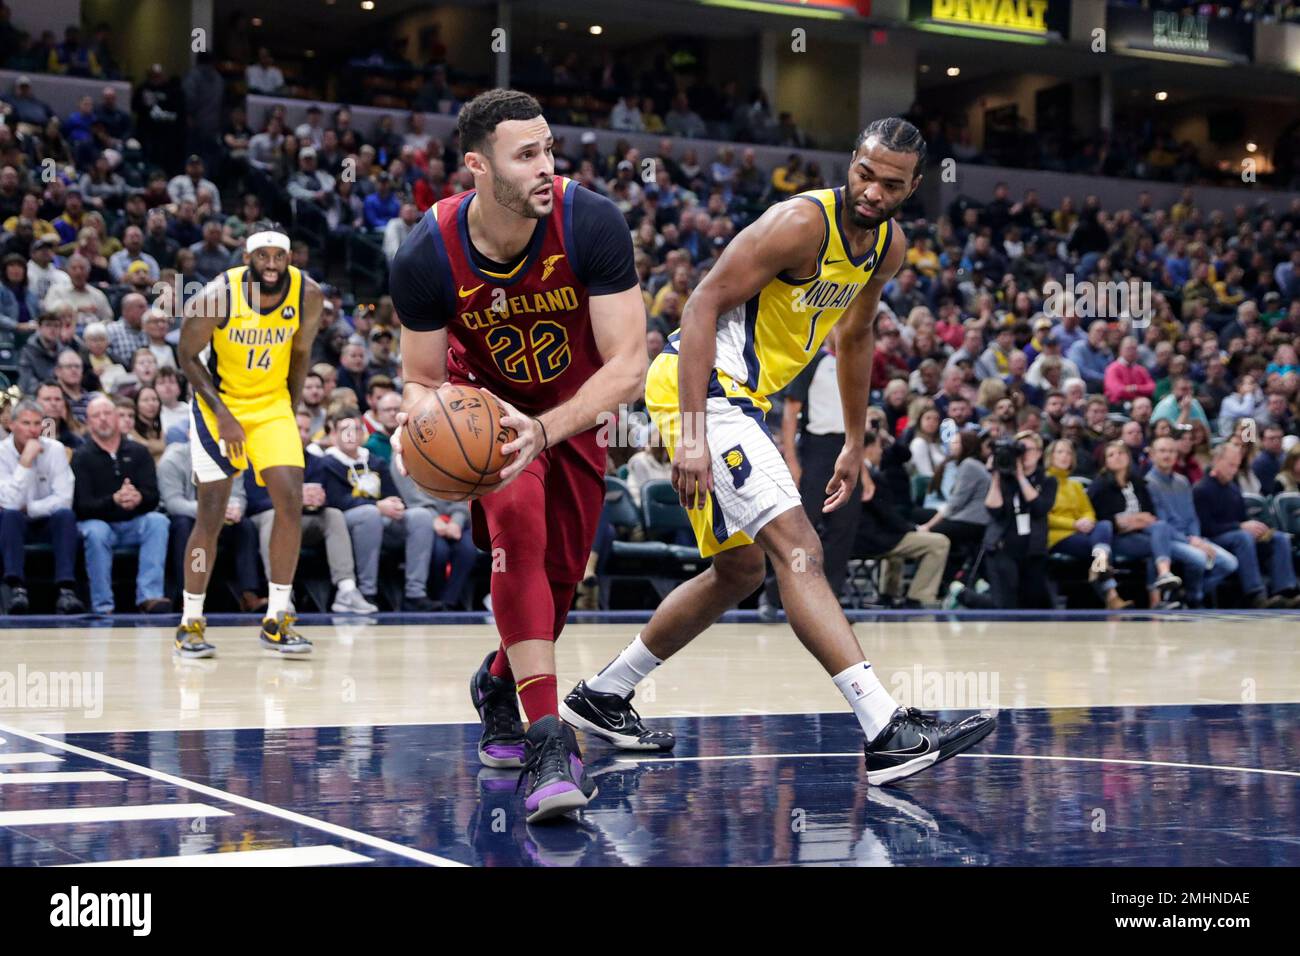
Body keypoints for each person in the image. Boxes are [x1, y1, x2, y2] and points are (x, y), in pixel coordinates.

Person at [564, 117, 994, 790]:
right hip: (704, 387)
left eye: (890, 184)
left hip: (739, 400)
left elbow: (854, 340)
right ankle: (886, 730)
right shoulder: (798, 224)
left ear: (912, 189)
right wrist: (696, 433)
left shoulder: (887, 248)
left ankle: (604, 695)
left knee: (739, 572)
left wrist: (854, 439)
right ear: (850, 161)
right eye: (864, 173)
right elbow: (701, 303)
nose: (872, 191)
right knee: (800, 550)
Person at [389, 89, 657, 823]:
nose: (548, 166)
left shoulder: (591, 221)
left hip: (574, 413)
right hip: (488, 414)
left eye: (549, 149)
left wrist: (547, 429)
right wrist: (422, 423)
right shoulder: (426, 253)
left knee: (564, 579)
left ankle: (498, 681)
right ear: (477, 165)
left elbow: (628, 367)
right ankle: (549, 739)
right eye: (527, 154)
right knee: (520, 536)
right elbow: (418, 380)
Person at [174, 224, 323, 657]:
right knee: (212, 515)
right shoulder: (217, 296)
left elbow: (299, 354)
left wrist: (289, 410)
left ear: (289, 259)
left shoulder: (307, 294)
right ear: (247, 259)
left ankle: (277, 618)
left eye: (280, 257)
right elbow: (186, 356)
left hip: (272, 403)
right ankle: (191, 621)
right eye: (264, 257)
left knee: (291, 502)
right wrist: (222, 414)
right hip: (219, 405)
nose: (272, 265)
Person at [245, 409, 376, 614]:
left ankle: (346, 591)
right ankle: (281, 595)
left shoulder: (315, 461)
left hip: (302, 520)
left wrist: (319, 499)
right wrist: (294, 498)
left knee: (333, 515)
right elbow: (252, 502)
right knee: (275, 516)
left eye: (307, 429)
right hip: (266, 520)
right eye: (298, 428)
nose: (303, 434)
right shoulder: (259, 456)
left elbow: (328, 498)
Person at [319, 406, 437, 611]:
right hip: (345, 523)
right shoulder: (326, 463)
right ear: (334, 434)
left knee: (421, 516)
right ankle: (367, 592)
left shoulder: (374, 460)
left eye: (356, 428)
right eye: (345, 429)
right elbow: (335, 501)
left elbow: (392, 493)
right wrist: (377, 506)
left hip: (380, 517)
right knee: (369, 514)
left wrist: (396, 504)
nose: (351, 434)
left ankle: (415, 593)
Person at [71, 395, 171, 615]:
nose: (103, 419)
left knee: (158, 521)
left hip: (134, 522)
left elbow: (153, 496)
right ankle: (103, 604)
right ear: (88, 422)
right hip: (98, 523)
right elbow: (81, 506)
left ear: (117, 418)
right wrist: (114, 500)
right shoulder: (81, 457)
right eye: (96, 416)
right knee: (96, 532)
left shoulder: (138, 452)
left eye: (108, 414)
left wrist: (138, 498)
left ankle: (150, 596)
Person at [158, 439, 264, 612]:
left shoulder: (230, 456)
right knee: (186, 527)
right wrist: (213, 511)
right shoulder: (173, 459)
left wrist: (235, 508)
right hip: (189, 517)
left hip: (221, 519)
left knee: (245, 526)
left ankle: (249, 594)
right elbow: (173, 503)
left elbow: (238, 496)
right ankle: (191, 595)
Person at [0, 399, 84, 614]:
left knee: (65, 516)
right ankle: (16, 589)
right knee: (10, 517)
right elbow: (9, 503)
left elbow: (64, 498)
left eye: (37, 424)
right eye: (26, 423)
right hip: (14, 525)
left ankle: (66, 590)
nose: (33, 430)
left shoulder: (55, 449)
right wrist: (25, 461)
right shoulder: (1, 452)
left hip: (47, 522)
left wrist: (30, 508)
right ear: (11, 424)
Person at [1193, 443, 1300, 608]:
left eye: (1236, 465)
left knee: (1279, 538)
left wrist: (1258, 531)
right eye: (1230, 465)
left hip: (1237, 535)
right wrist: (1240, 526)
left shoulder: (1234, 489)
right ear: (1216, 461)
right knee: (1242, 537)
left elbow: (1242, 521)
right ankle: (1256, 595)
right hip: (1214, 539)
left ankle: (1285, 591)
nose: (1234, 470)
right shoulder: (1201, 489)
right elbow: (1206, 528)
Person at [854, 429, 950, 608]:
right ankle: (918, 597)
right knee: (940, 543)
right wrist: (914, 528)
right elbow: (888, 515)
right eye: (878, 446)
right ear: (869, 448)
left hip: (857, 539)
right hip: (872, 541)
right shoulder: (871, 476)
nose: (881, 451)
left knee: (898, 544)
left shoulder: (853, 473)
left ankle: (888, 594)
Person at [1145, 435, 1237, 608]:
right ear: (1153, 455)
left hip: (1191, 539)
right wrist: (1190, 541)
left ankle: (1189, 595)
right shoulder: (1148, 484)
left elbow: (1192, 517)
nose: (1167, 455)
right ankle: (1195, 599)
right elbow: (1161, 524)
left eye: (1171, 451)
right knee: (1199, 558)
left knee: (1229, 563)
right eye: (1162, 451)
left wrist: (1196, 538)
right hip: (1168, 541)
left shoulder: (1183, 481)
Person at [1088, 440, 1183, 609]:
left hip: (1138, 534)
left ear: (1128, 457)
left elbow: (1150, 516)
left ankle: (1164, 576)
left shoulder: (1138, 482)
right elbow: (1100, 521)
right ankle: (1156, 598)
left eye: (1121, 453)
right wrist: (1131, 521)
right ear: (1105, 461)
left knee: (1160, 528)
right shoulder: (1100, 486)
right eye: (1111, 455)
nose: (1117, 457)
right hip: (1116, 540)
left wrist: (1131, 521)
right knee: (1157, 544)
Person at [1045, 438, 1131, 609]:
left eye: (1069, 453)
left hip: (1080, 531)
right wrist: (1075, 524)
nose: (1065, 456)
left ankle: (1100, 567)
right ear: (1051, 456)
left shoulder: (1075, 485)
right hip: (1057, 536)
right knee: (1101, 548)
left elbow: (1088, 510)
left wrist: (1088, 520)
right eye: (1060, 452)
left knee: (1104, 524)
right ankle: (1111, 594)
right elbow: (1046, 517)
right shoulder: (1045, 482)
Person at [982, 431, 1056, 609]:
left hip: (1033, 550)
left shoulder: (1047, 480)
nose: (1023, 454)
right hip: (1002, 547)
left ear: (1039, 453)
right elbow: (994, 510)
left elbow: (1039, 508)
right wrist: (996, 476)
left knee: (1034, 603)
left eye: (1028, 449)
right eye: (1019, 450)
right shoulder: (1003, 477)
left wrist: (1021, 477)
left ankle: (965, 596)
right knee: (1006, 604)